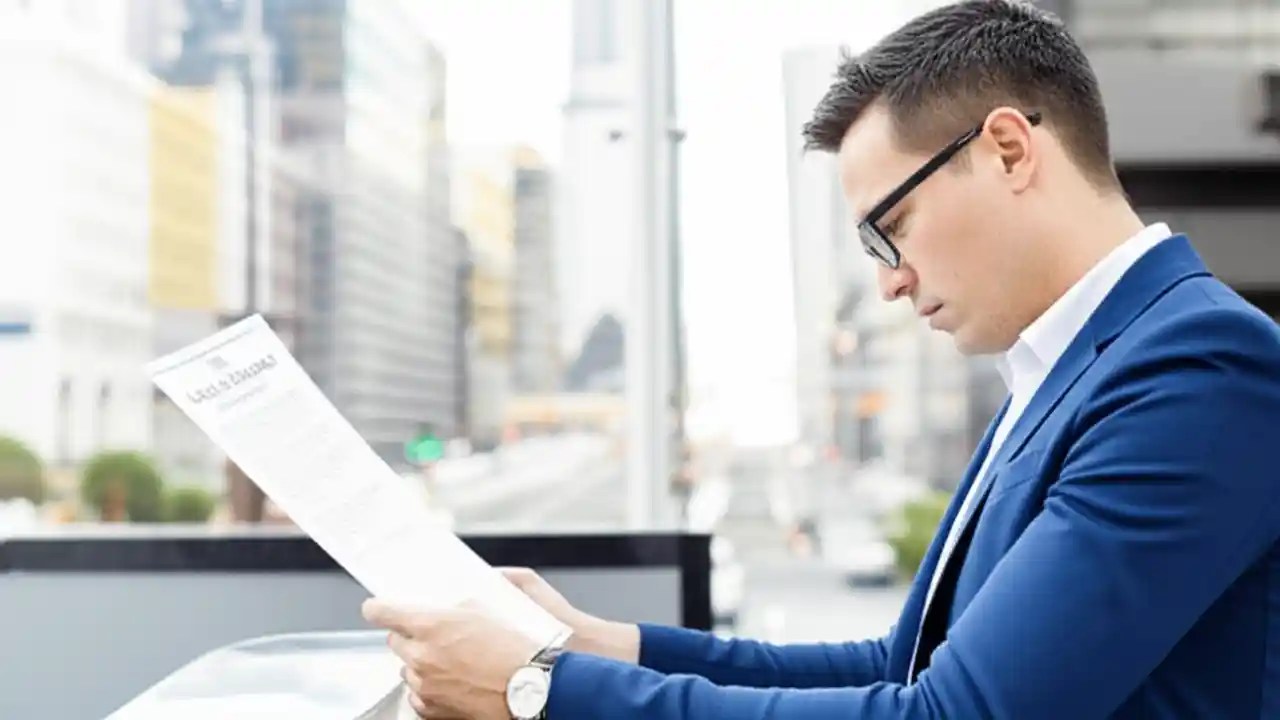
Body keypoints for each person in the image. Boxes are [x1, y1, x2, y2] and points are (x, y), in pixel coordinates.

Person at [361, 1, 1280, 717]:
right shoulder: (1064, 369)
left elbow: (959, 715)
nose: (889, 280)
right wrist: (599, 645)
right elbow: (898, 665)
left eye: (892, 228)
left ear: (1007, 149)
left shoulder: (1197, 371)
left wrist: (540, 691)